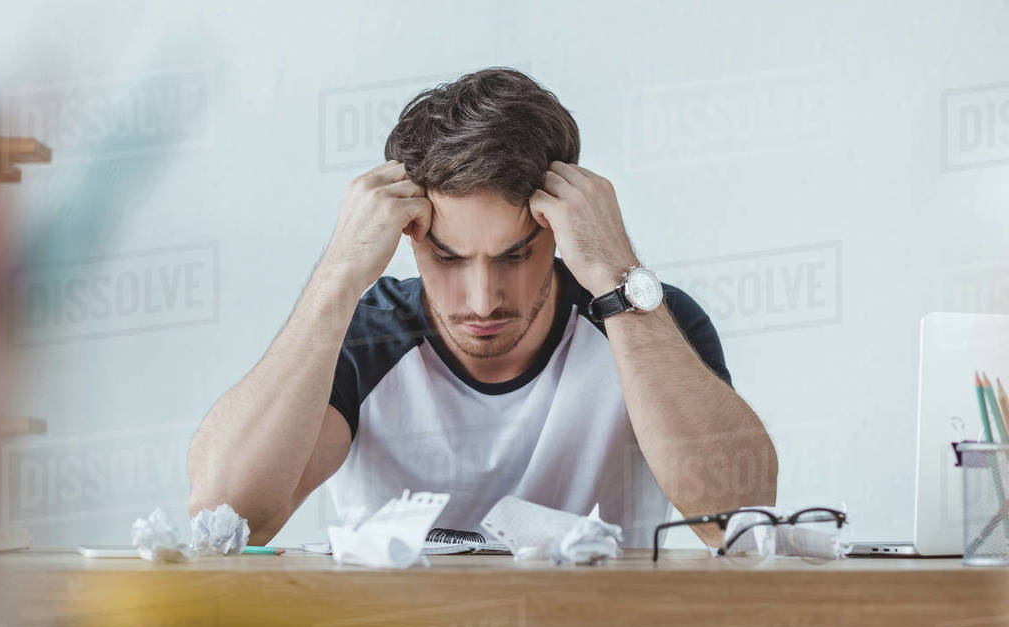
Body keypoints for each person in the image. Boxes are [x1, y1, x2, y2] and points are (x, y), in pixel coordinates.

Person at [187, 67, 776, 551]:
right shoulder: (363, 339)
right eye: (447, 258)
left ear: (561, 228)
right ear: (409, 236)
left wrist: (619, 273)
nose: (482, 300)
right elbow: (226, 521)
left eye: (515, 256)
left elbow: (737, 519)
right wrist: (337, 278)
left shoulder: (645, 324)